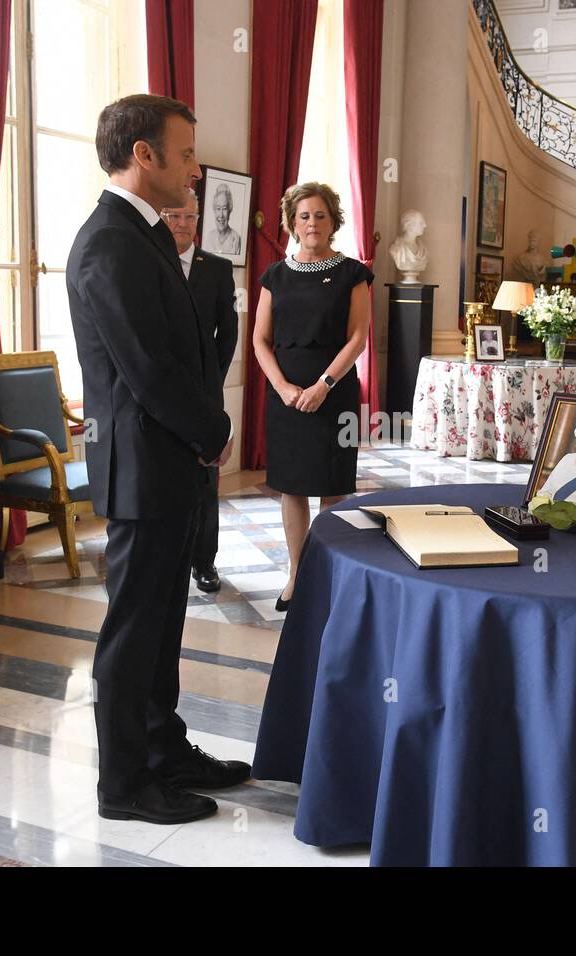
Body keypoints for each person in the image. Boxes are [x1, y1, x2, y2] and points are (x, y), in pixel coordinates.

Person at [66, 94, 249, 827]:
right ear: (144, 156)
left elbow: (183, 351)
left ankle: (163, 750)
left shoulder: (138, 234)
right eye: (185, 154)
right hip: (144, 465)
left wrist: (204, 434)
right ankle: (122, 786)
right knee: (132, 634)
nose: (195, 169)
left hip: (165, 460)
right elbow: (149, 368)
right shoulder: (111, 240)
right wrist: (215, 429)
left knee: (162, 624)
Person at [253, 182, 373, 611]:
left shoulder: (352, 273)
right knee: (292, 487)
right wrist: (284, 388)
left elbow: (358, 337)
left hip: (333, 392)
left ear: (333, 220)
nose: (312, 223)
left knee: (332, 489)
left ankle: (330, 576)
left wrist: (324, 384)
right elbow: (259, 341)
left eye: (320, 215)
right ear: (292, 223)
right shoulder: (275, 275)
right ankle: (296, 575)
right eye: (304, 216)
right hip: (286, 396)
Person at [161, 196, 238, 593]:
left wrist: (214, 378)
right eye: (173, 215)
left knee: (207, 480)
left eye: (189, 216)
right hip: (159, 389)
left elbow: (229, 333)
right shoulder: (150, 262)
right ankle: (168, 555)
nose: (182, 223)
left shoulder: (217, 269)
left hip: (206, 393)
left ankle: (204, 562)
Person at [207, 182, 242, 255]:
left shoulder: (235, 239)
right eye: (218, 208)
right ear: (214, 210)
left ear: (230, 210)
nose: (221, 215)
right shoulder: (209, 238)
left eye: (225, 208)